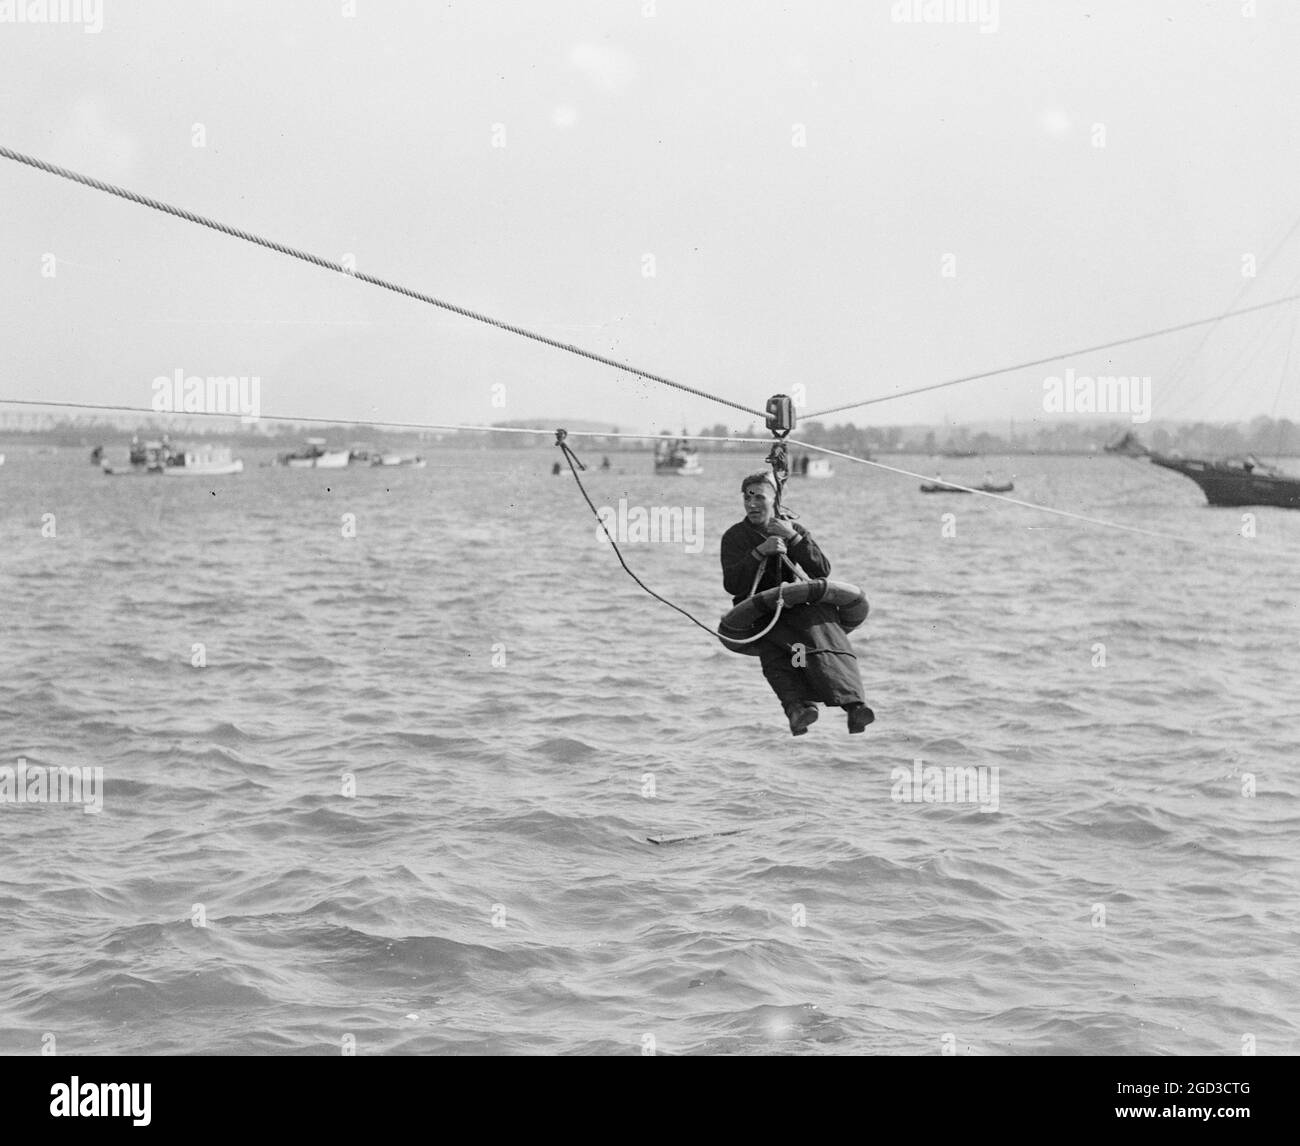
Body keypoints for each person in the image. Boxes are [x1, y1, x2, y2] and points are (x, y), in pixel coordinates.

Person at [721, 472, 874, 736]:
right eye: (747, 498)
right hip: (764, 613)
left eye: (759, 497)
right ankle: (799, 708)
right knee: (780, 655)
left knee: (823, 640)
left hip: (797, 606)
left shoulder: (792, 529)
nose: (752, 504)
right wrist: (760, 552)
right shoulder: (735, 536)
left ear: (775, 499)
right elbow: (733, 585)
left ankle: (854, 706)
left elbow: (821, 570)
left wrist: (793, 538)